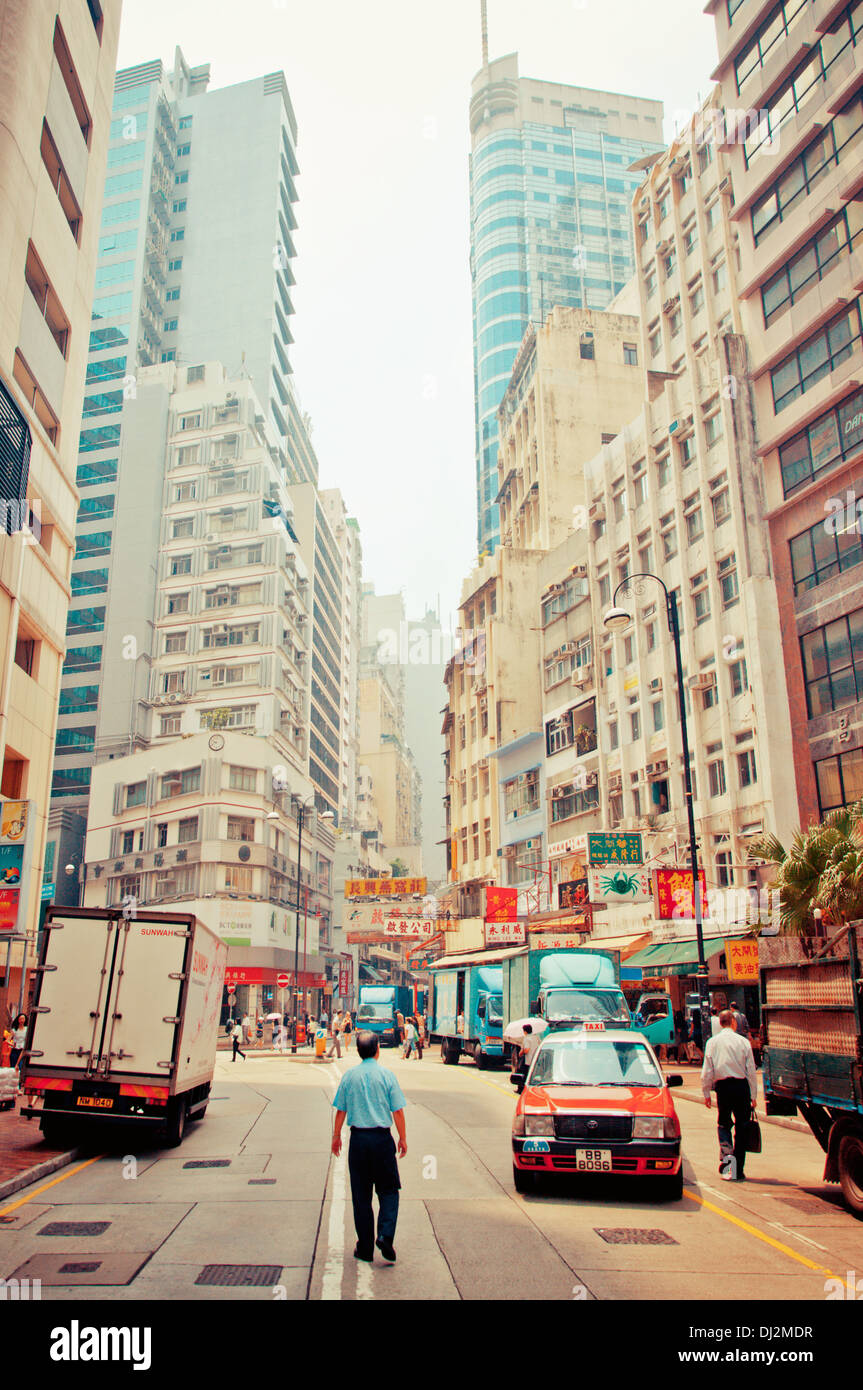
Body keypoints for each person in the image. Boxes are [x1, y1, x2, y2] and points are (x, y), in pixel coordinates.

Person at [331, 1031, 407, 1264]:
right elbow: (398, 1111)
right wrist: (402, 1138)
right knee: (389, 1191)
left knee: (361, 1196)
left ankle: (364, 1248)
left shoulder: (349, 1076)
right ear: (377, 1050)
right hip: (382, 1141)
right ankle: (384, 1235)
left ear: (358, 1051)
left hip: (359, 1141)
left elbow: (341, 1110)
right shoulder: (387, 1075)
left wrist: (336, 1137)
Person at [701, 1009, 758, 1181]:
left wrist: (706, 1093)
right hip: (741, 1087)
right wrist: (753, 1095)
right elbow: (751, 1071)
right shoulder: (743, 1042)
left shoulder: (712, 1043)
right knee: (742, 1127)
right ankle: (738, 1170)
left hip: (723, 1087)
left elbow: (707, 1071)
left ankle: (727, 1164)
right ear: (734, 1022)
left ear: (720, 1023)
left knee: (724, 1124)